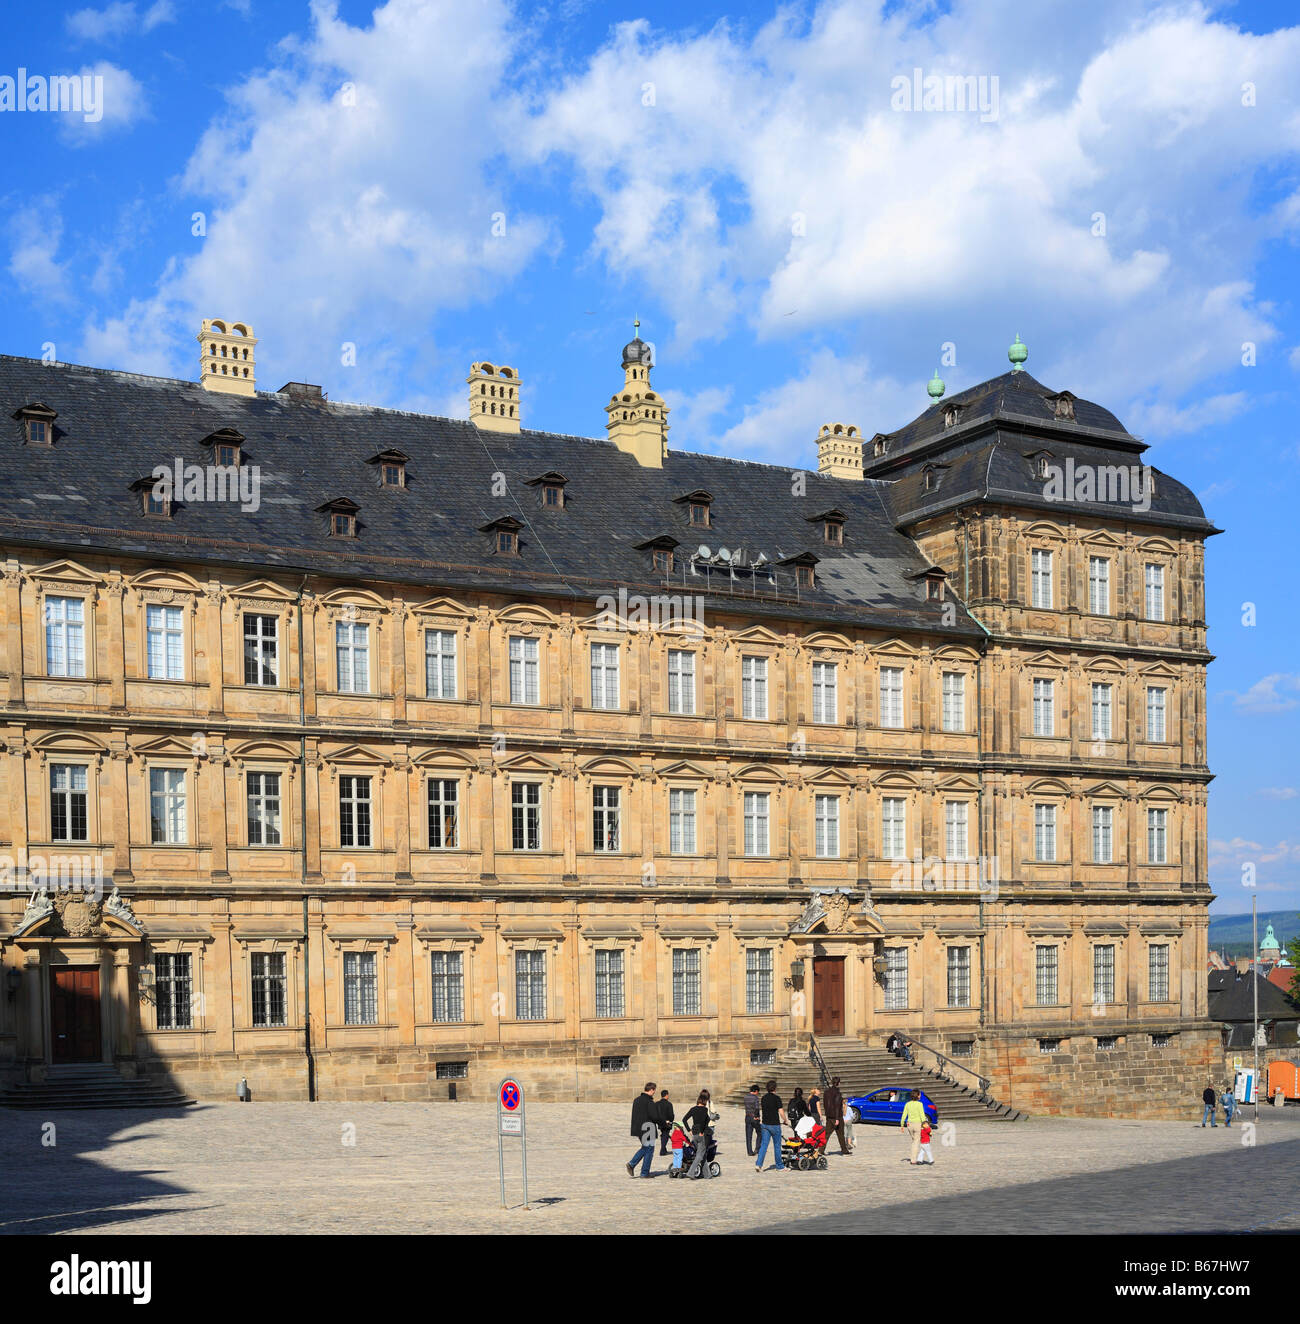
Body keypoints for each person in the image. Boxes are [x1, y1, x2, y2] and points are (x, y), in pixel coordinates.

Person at [683, 1090, 719, 1179]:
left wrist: (689, 1130)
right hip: (702, 1134)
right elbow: (705, 1121)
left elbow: (684, 1119)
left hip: (694, 1134)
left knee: (702, 1154)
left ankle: (707, 1175)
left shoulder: (693, 1109)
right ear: (704, 1102)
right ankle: (691, 1172)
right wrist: (702, 1131)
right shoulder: (705, 1110)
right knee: (700, 1155)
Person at [627, 1081, 659, 1177]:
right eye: (654, 1091)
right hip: (648, 1129)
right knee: (649, 1149)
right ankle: (642, 1171)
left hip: (639, 1129)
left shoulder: (636, 1100)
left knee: (646, 1148)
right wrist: (663, 1123)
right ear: (651, 1090)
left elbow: (635, 1116)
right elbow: (654, 1116)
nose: (654, 1093)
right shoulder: (649, 1102)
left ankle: (637, 1167)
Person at [755, 1080, 788, 1171]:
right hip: (775, 1125)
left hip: (765, 1124)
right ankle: (779, 1166)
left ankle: (758, 1164)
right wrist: (785, 1120)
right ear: (775, 1088)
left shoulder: (763, 1098)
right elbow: (781, 1111)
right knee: (777, 1146)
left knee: (764, 1145)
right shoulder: (777, 1098)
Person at [823, 1076, 852, 1155]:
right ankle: (844, 1150)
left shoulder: (826, 1092)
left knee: (826, 1134)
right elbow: (836, 1106)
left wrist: (827, 1114)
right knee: (840, 1134)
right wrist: (836, 1118)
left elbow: (825, 1104)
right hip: (837, 1116)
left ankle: (821, 1149)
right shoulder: (837, 1093)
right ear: (838, 1083)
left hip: (829, 1116)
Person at [900, 1088, 926, 1164]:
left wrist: (902, 1125)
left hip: (909, 1125)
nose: (920, 1095)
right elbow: (922, 1116)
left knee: (914, 1141)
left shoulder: (907, 1104)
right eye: (920, 1094)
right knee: (916, 1142)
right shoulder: (920, 1104)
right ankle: (913, 1159)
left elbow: (904, 1115)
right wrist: (925, 1124)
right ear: (917, 1095)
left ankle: (914, 1157)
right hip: (918, 1124)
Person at [743, 1084, 762, 1156]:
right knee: (760, 1133)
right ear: (756, 1091)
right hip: (754, 1117)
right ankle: (757, 1148)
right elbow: (757, 1108)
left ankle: (749, 1151)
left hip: (747, 1117)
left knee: (748, 1135)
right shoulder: (755, 1098)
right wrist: (757, 1116)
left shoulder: (745, 1097)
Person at [656, 1088, 675, 1155]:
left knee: (664, 1135)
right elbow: (671, 1115)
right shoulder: (669, 1104)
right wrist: (671, 1120)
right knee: (665, 1135)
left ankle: (664, 1150)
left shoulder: (657, 1103)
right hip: (667, 1123)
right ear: (666, 1095)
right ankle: (662, 1150)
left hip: (660, 1122)